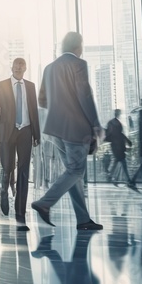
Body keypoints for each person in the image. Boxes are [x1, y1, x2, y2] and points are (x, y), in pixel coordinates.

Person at [30, 32, 105, 231]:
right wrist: (96, 124)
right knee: (76, 170)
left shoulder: (49, 68)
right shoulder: (78, 64)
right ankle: (45, 203)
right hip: (75, 128)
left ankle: (83, 219)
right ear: (78, 46)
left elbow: (42, 101)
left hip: (55, 129)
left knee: (73, 173)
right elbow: (84, 96)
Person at [0, 57, 42, 230]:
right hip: (7, 130)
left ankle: (20, 216)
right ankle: (4, 190)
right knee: (7, 167)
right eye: (16, 66)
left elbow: (34, 111)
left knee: (24, 172)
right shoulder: (2, 85)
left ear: (25, 68)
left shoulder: (31, 86)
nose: (19, 68)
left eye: (22, 66)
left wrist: (36, 134)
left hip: (26, 131)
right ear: (11, 68)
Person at [104, 109, 133, 188]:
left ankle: (110, 175)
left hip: (116, 146)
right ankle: (128, 180)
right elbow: (120, 134)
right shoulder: (116, 123)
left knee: (118, 161)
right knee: (123, 163)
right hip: (118, 146)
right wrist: (127, 141)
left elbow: (113, 134)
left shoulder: (112, 123)